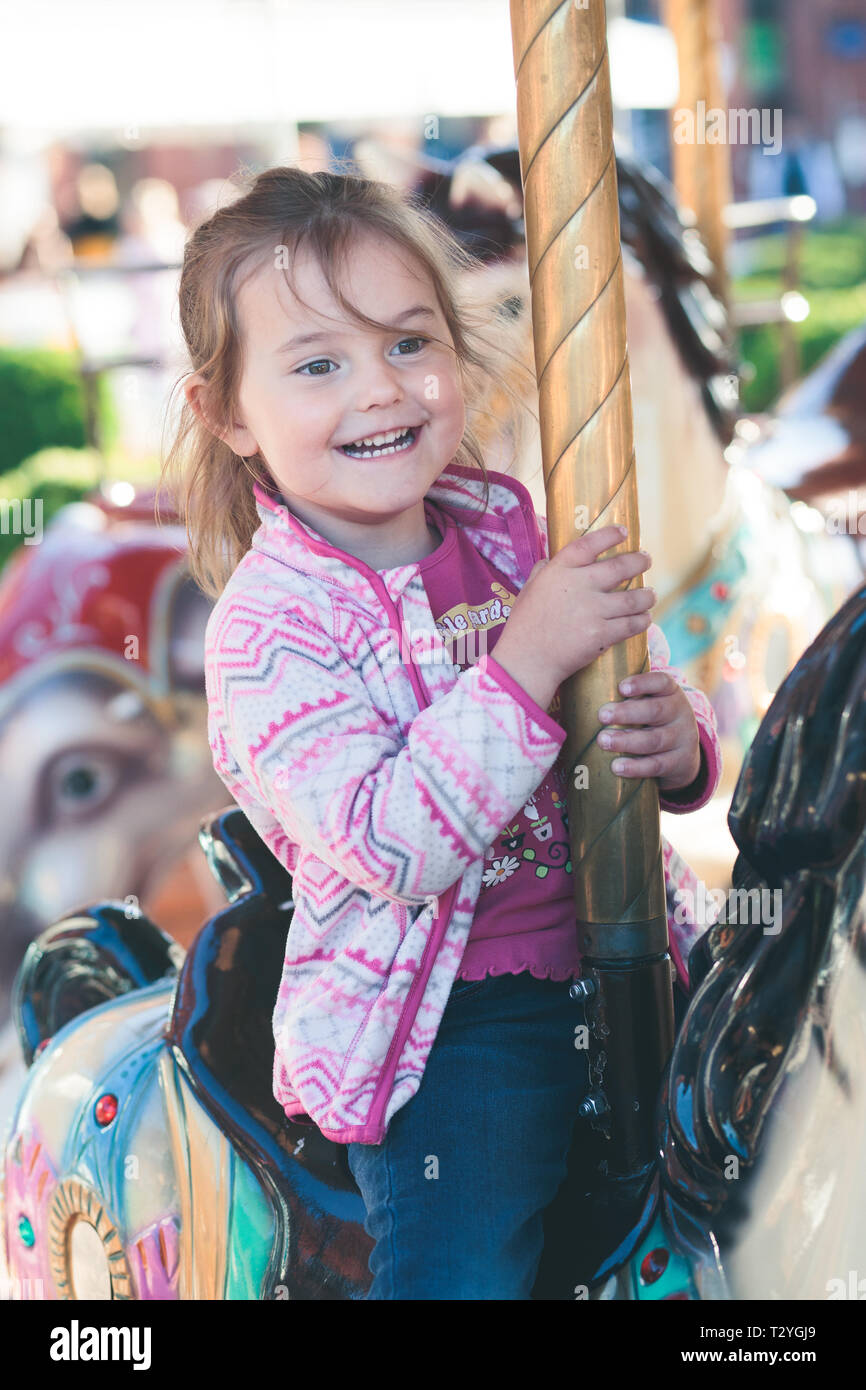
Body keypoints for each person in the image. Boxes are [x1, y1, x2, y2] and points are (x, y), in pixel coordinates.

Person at [158, 163, 722, 1300]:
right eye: (318, 365)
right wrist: (526, 662)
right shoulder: (271, 632)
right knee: (460, 1274)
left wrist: (674, 739)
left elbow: (642, 677)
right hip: (453, 1025)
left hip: (647, 953)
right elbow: (389, 841)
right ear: (227, 414)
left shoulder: (515, 536)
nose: (381, 389)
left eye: (409, 343)